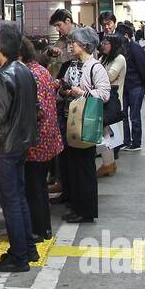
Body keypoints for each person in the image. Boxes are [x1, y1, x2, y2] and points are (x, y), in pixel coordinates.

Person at [0, 24, 39, 272]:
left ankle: (19, 257)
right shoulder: (22, 69)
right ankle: (27, 248)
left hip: (7, 145)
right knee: (20, 197)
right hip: (23, 142)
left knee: (10, 201)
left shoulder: (4, 76)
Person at [57, 27, 110, 224]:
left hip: (85, 122)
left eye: (75, 43)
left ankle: (87, 211)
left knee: (85, 168)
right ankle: (77, 206)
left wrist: (81, 93)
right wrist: (64, 90)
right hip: (72, 121)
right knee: (74, 168)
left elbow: (104, 94)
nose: (71, 46)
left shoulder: (95, 67)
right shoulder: (74, 64)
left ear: (85, 45)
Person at [21, 36, 62, 241]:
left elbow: (36, 110)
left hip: (36, 142)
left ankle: (37, 230)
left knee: (33, 188)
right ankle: (44, 228)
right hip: (49, 139)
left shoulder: (27, 74)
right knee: (40, 187)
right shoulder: (42, 71)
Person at [96, 34, 126, 176]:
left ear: (114, 44)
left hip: (113, 100)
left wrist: (97, 75)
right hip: (103, 99)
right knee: (105, 131)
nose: (103, 45)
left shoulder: (119, 59)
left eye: (107, 43)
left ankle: (109, 164)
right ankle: (109, 163)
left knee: (106, 131)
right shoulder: (103, 58)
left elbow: (109, 77)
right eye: (103, 43)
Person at [118, 21, 145, 151]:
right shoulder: (121, 49)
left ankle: (136, 142)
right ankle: (125, 141)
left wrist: (144, 85)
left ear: (126, 35)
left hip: (136, 86)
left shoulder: (136, 48)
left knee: (134, 116)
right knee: (123, 114)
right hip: (124, 87)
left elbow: (143, 68)